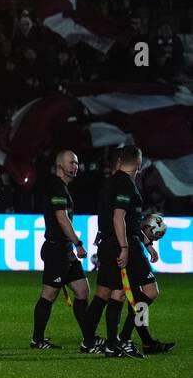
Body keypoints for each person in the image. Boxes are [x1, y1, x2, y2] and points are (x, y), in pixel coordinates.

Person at [83, 146, 170, 358]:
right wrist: (124, 247)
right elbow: (118, 217)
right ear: (139, 163)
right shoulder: (125, 183)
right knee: (149, 292)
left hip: (108, 242)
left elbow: (121, 218)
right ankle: (124, 339)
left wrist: (145, 242)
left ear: (119, 161)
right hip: (123, 244)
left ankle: (102, 343)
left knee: (114, 293)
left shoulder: (110, 183)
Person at [30, 150, 95, 351]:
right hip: (57, 250)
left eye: (76, 162)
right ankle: (37, 340)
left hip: (64, 250)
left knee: (83, 291)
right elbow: (62, 219)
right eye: (71, 162)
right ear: (60, 166)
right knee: (48, 295)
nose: (75, 166)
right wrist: (78, 243)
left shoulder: (62, 188)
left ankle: (89, 340)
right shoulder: (57, 188)